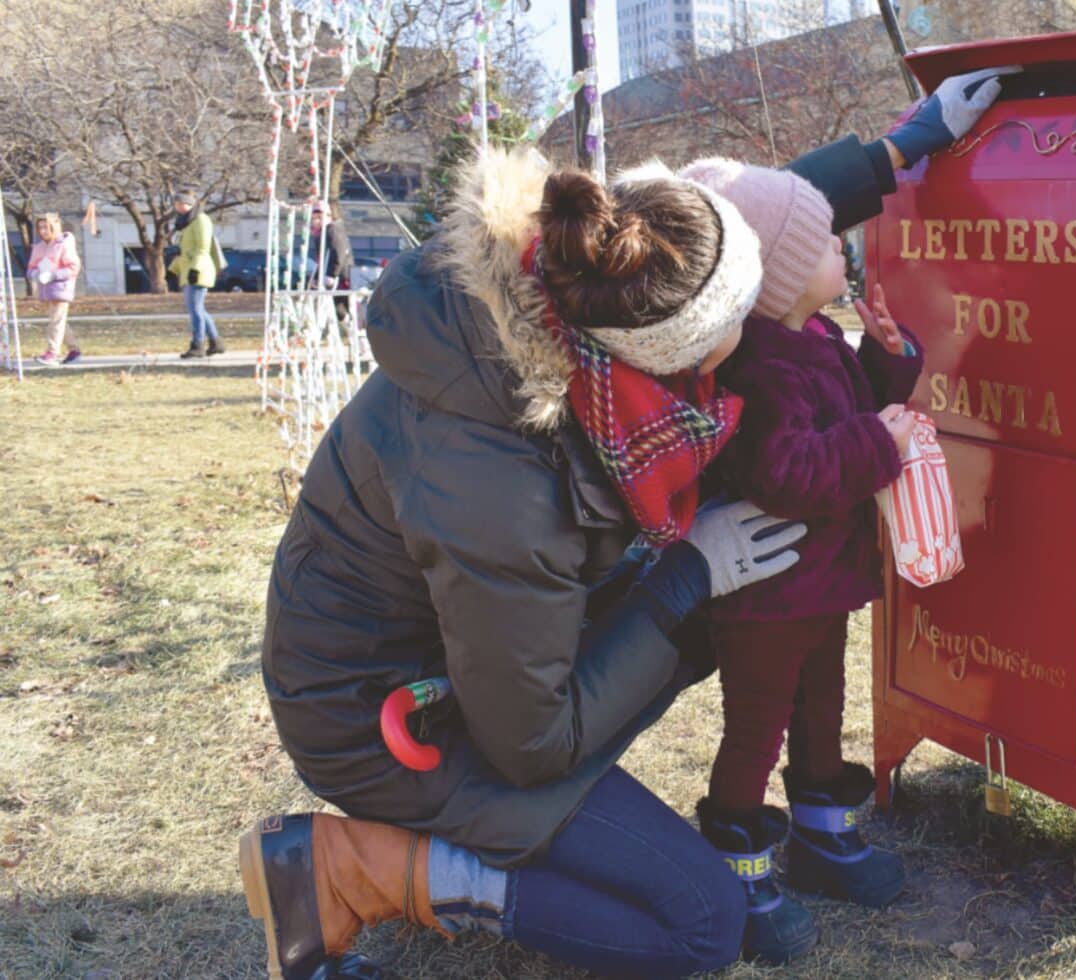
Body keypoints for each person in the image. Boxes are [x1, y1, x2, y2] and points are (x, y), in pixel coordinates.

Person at [241, 66, 1011, 980]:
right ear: (692, 350)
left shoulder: (600, 279)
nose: (779, 297)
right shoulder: (499, 479)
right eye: (748, 307)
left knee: (710, 637)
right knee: (698, 928)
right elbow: (531, 745)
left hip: (480, 655)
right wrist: (687, 571)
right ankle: (359, 869)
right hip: (394, 715)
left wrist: (907, 142)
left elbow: (737, 225)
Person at [679, 159, 923, 963]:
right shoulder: (759, 364)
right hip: (768, 589)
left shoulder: (816, 338)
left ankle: (824, 837)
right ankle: (738, 870)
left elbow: (854, 414)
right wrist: (875, 442)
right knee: (757, 727)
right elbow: (786, 474)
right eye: (825, 247)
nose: (843, 257)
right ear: (780, 279)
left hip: (822, 583)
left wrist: (888, 364)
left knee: (823, 707)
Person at [169, 189, 226, 358]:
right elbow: (183, 252)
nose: (179, 207)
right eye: (177, 203)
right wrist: (172, 271)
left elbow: (202, 249)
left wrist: (196, 269)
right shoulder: (185, 223)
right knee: (198, 308)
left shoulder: (201, 220)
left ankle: (198, 345)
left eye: (182, 203)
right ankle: (216, 342)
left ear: (190, 203)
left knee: (195, 310)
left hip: (199, 271)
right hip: (189, 271)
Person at [26, 213, 82, 366]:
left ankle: (52, 353)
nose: (43, 231)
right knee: (58, 321)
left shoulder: (64, 244)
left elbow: (73, 268)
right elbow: (30, 269)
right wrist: (36, 274)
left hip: (60, 289)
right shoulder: (38, 247)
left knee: (56, 322)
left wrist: (53, 275)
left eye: (46, 227)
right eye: (40, 228)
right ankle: (74, 350)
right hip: (45, 290)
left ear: (54, 227)